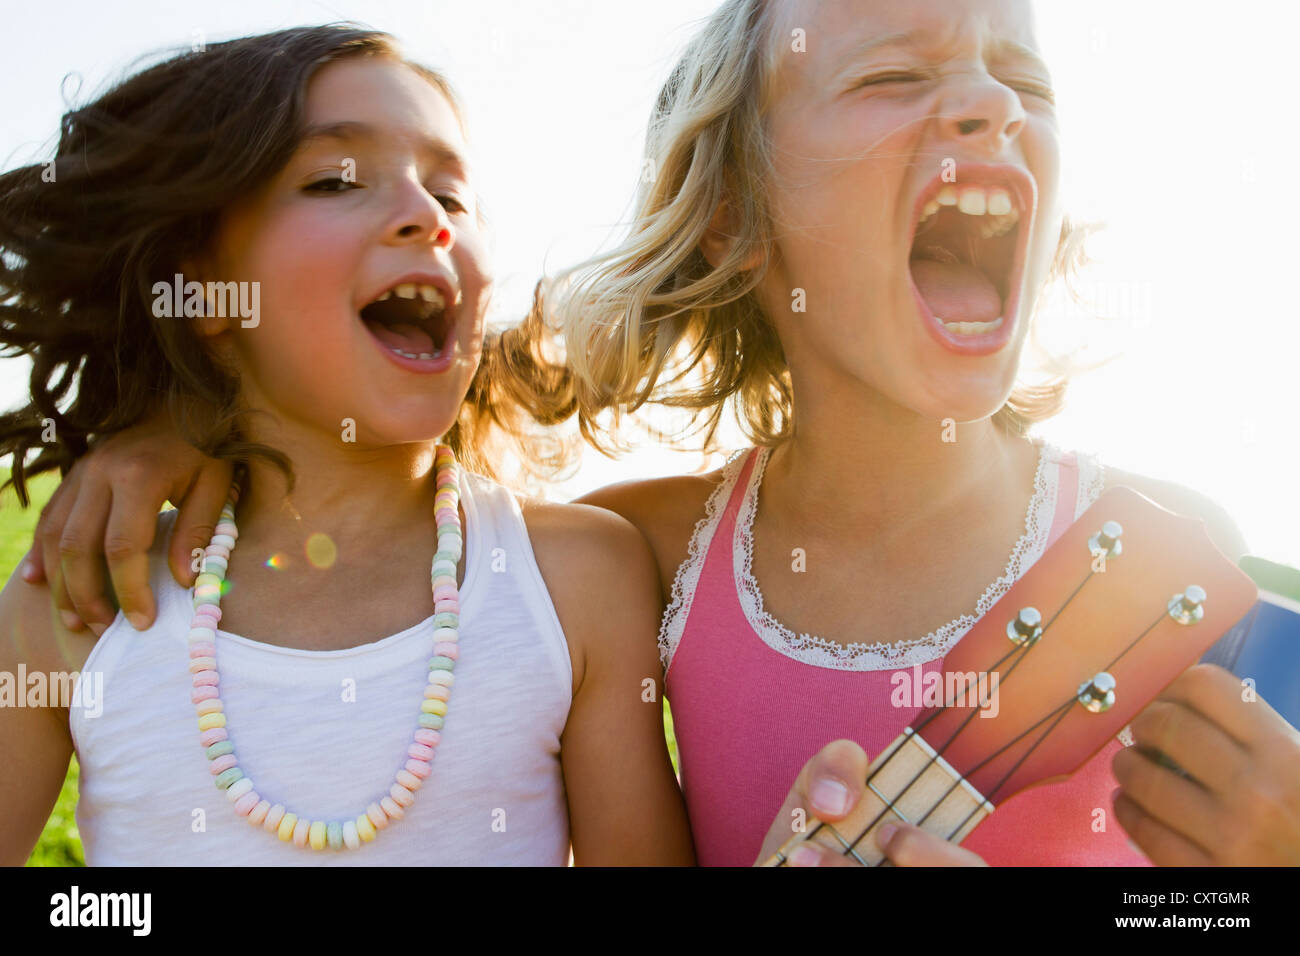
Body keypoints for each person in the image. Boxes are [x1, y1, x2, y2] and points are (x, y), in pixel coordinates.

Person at [19, 2, 1300, 866]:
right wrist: (164, 422)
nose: (985, 109)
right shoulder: (650, 555)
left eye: (1021, 78)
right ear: (737, 221)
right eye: (899, 75)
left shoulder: (1160, 564)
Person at [1, 23, 757, 866]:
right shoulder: (74, 607)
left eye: (452, 194)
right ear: (208, 292)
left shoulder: (576, 579)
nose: (426, 217)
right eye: (333, 180)